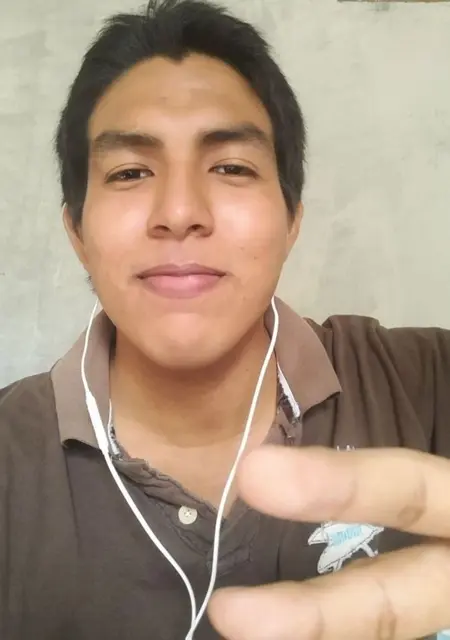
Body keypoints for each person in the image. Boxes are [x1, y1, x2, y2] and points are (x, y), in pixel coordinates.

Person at [1, 0, 449, 638]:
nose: (180, 211)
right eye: (130, 171)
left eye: (232, 167)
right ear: (76, 230)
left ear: (291, 219)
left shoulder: (426, 385)